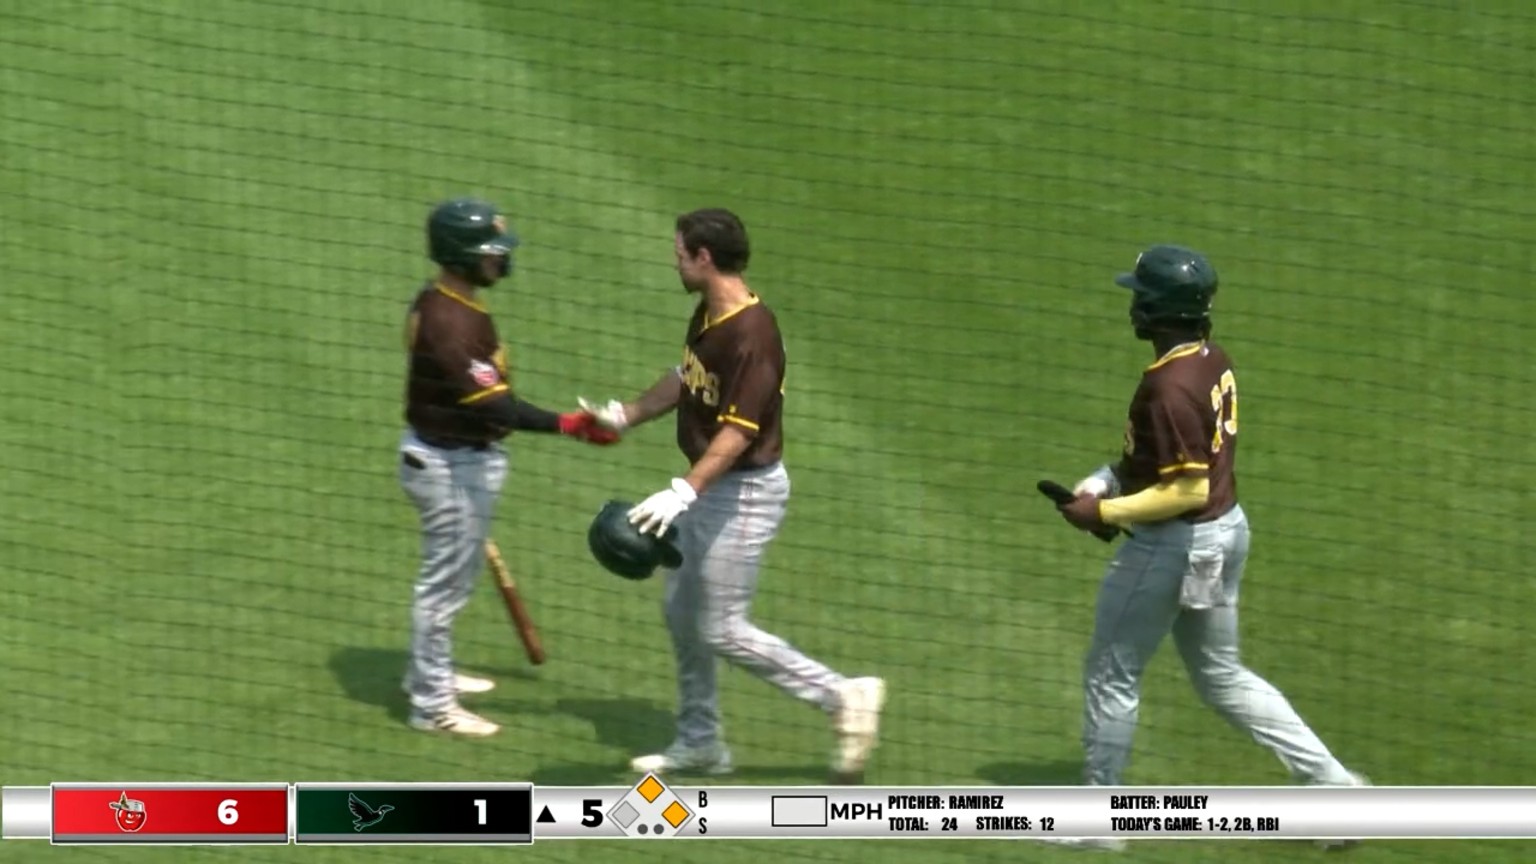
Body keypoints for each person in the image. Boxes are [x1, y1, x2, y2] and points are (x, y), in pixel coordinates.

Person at [1049, 245, 1366, 851]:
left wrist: (1103, 513)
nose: (1132, 307)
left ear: (1155, 309)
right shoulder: (1208, 359)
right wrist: (1103, 482)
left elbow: (1185, 488)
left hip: (1173, 547)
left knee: (1112, 672)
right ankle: (1334, 788)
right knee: (1221, 676)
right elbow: (1159, 461)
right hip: (1222, 535)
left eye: (1139, 297)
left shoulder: (1166, 388)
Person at [579, 208, 886, 782]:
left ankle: (843, 696)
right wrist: (626, 414)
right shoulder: (710, 313)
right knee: (681, 612)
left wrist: (683, 490)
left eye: (680, 253)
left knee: (721, 627)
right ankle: (701, 743)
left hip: (744, 495)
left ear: (704, 257)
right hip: (710, 489)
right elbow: (688, 376)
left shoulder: (753, 335)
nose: (674, 261)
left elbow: (738, 432)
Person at [398, 197, 618, 737]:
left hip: (453, 457)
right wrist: (568, 424)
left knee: (454, 582)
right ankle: (431, 705)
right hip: (450, 466)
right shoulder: (450, 322)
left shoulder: (447, 301)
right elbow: (496, 407)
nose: (500, 259)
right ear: (461, 254)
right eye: (490, 252)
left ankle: (431, 673)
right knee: (443, 590)